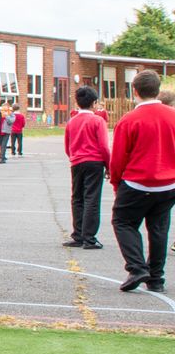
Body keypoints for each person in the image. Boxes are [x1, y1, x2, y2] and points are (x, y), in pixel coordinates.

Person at [109, 69, 175, 293]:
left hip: (138, 182)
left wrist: (117, 183)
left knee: (123, 222)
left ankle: (137, 267)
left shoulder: (129, 120)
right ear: (158, 90)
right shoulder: (172, 116)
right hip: (168, 184)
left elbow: (118, 157)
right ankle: (156, 278)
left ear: (134, 91)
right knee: (158, 228)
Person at [64, 85, 109, 249]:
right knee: (92, 198)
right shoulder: (98, 120)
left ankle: (78, 234)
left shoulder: (72, 121)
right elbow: (103, 145)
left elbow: (67, 145)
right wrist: (108, 165)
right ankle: (89, 237)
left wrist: (74, 157)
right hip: (94, 161)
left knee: (77, 198)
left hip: (77, 161)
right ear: (94, 103)